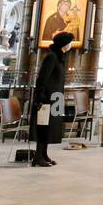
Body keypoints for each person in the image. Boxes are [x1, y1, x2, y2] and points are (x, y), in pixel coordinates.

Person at [32, 31, 71, 167]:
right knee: (43, 126)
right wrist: (40, 96)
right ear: (63, 44)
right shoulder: (51, 57)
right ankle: (38, 156)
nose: (70, 45)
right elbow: (42, 78)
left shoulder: (60, 57)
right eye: (69, 42)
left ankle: (44, 154)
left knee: (52, 127)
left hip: (57, 97)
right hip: (48, 97)